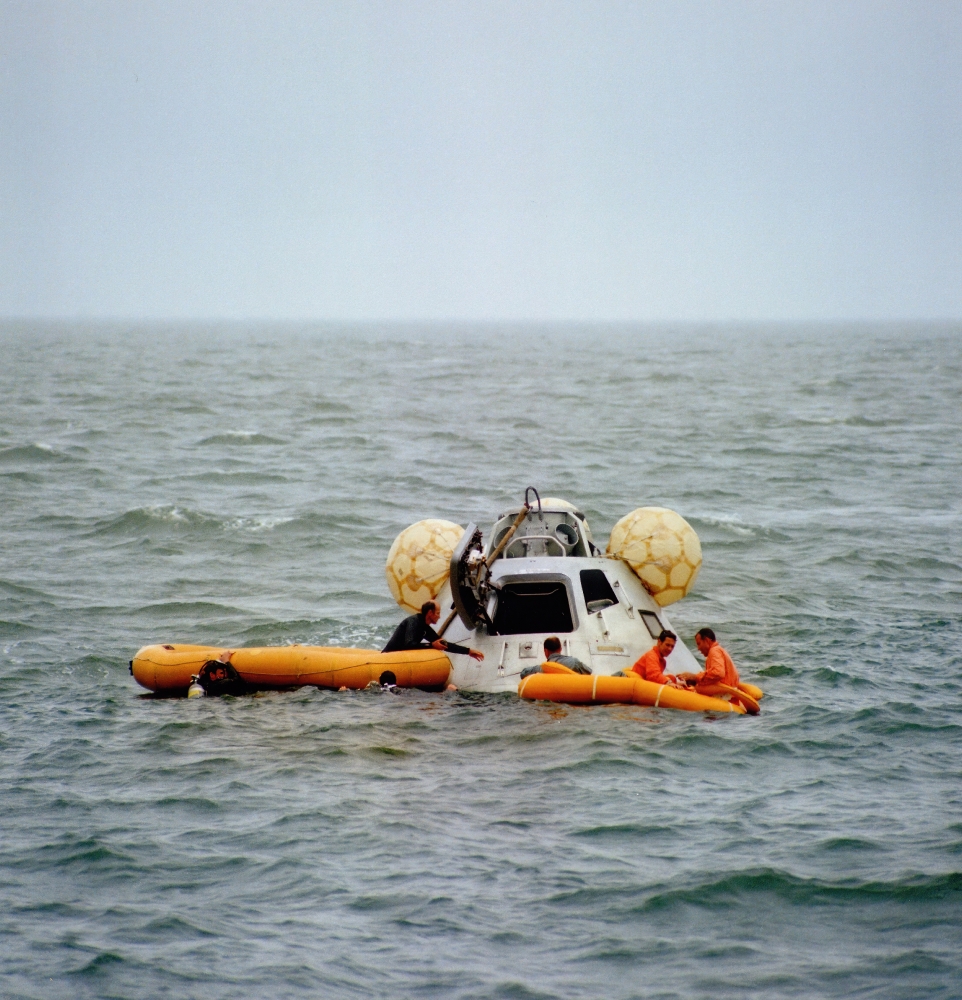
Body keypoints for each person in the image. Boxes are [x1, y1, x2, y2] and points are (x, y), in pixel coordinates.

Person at [382, 601, 484, 661]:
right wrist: (431, 645)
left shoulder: (424, 626)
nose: (439, 617)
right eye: (438, 613)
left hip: (400, 658)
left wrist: (468, 651)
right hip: (388, 657)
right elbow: (409, 644)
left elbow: (443, 644)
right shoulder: (414, 622)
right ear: (430, 613)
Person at [520, 636, 591, 679]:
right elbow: (589, 673)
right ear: (560, 649)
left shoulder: (542, 668)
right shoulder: (574, 662)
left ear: (546, 651)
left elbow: (523, 673)